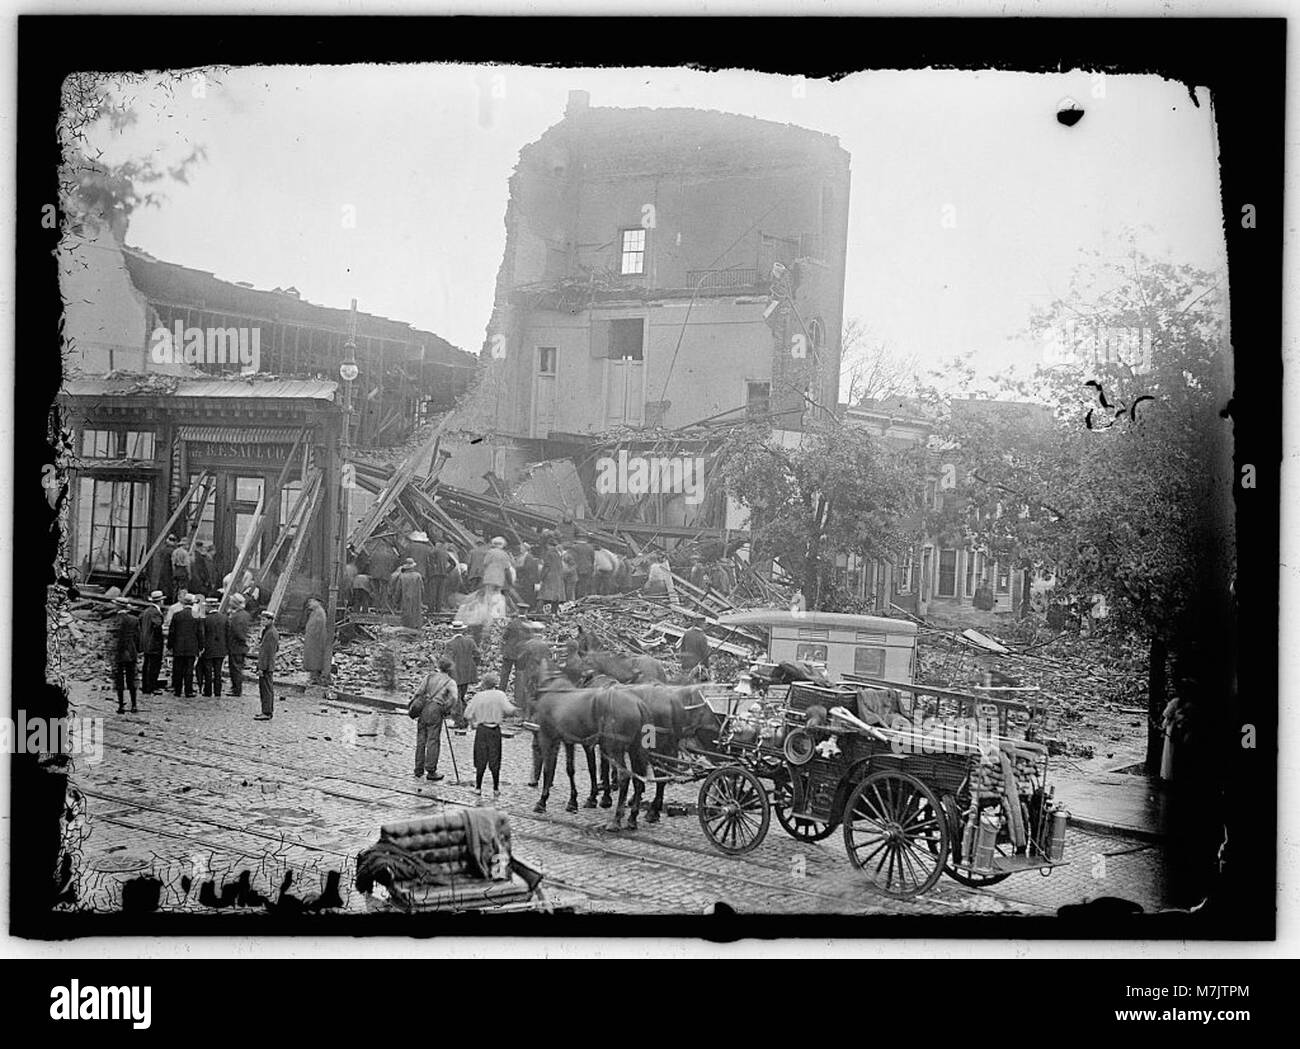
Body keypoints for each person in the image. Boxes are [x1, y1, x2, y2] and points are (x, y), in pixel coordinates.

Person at [464, 671, 517, 802]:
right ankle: (495, 788)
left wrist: (472, 723)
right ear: (495, 683)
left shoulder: (478, 696)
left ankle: (478, 787)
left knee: (481, 758)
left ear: (484, 684)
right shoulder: (500, 695)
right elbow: (509, 710)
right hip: (495, 731)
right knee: (495, 758)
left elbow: (467, 714)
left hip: (482, 730)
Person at [409, 658, 457, 781]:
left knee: (421, 740)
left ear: (439, 666)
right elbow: (453, 699)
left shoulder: (429, 677)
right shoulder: (450, 682)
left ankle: (418, 769)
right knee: (433, 740)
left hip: (424, 708)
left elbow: (418, 693)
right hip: (436, 710)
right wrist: (446, 709)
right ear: (450, 668)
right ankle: (431, 770)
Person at [168, 594, 202, 697]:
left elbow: (172, 632)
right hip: (191, 647)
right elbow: (200, 633)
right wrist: (201, 646)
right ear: (192, 603)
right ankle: (188, 690)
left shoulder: (177, 615)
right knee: (189, 669)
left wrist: (170, 646)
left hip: (178, 646)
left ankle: (177, 690)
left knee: (178, 669)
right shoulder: (196, 616)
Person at [112, 600, 141, 714]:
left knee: (119, 680)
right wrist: (136, 650)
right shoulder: (134, 619)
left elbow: (113, 638)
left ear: (118, 606)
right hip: (131, 652)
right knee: (132, 678)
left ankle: (121, 706)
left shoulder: (115, 620)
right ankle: (134, 705)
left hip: (118, 652)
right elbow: (137, 637)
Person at [445, 621, 480, 714]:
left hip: (455, 673)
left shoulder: (449, 644)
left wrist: (446, 671)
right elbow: (477, 654)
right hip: (468, 672)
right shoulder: (470, 641)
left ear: (452, 631)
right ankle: (466, 713)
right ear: (462, 630)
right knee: (461, 695)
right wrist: (474, 665)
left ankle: (459, 719)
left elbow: (448, 660)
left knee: (456, 696)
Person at [255, 609, 279, 720]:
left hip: (266, 666)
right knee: (266, 688)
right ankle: (266, 711)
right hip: (268, 665)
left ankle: (267, 712)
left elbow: (266, 652)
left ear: (270, 620)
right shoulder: (270, 631)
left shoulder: (270, 633)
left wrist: (261, 668)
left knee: (266, 689)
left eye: (264, 620)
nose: (262, 622)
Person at [139, 591, 165, 694]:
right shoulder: (155, 612)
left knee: (146, 665)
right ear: (160, 601)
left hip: (146, 642)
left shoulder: (146, 611)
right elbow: (157, 626)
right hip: (154, 643)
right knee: (154, 666)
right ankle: (151, 686)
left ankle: (146, 686)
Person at [226, 592, 251, 697]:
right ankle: (236, 688)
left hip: (236, 646)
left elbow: (237, 632)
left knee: (235, 669)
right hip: (239, 646)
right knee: (237, 668)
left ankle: (236, 689)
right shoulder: (245, 614)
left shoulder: (236, 616)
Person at [201, 597, 228, 697]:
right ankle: (218, 691)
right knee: (218, 671)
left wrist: (201, 647)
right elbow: (227, 634)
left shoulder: (205, 619)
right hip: (221, 649)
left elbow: (202, 635)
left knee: (208, 671)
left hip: (208, 649)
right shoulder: (224, 618)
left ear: (209, 607)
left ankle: (208, 691)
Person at [499, 612, 530, 694]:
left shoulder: (512, 624)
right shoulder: (529, 625)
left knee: (505, 674)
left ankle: (501, 692)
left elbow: (504, 636)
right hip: (521, 653)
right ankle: (518, 694)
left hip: (509, 652)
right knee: (520, 674)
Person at [391, 558, 424, 630]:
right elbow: (422, 588)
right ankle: (416, 629)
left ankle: (407, 629)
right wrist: (422, 599)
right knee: (416, 614)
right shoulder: (418, 576)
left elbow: (398, 590)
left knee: (407, 614)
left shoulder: (402, 576)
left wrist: (395, 601)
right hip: (416, 599)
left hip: (406, 598)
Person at [302, 596, 329, 685]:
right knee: (312, 658)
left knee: (315, 659)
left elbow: (318, 628)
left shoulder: (319, 612)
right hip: (312, 639)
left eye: (312, 602)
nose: (309, 604)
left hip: (316, 641)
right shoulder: (315, 612)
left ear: (318, 602)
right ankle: (314, 676)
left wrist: (311, 636)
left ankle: (315, 677)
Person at [366, 538, 398, 612]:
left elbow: (369, 562)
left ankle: (376, 606)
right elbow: (394, 562)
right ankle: (383, 607)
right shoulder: (389, 554)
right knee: (384, 591)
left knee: (376, 591)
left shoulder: (374, 553)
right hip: (385, 575)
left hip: (374, 574)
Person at [679, 614, 712, 679]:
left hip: (685, 665)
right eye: (704, 623)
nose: (705, 625)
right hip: (696, 667)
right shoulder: (702, 637)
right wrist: (708, 667)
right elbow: (705, 654)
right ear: (700, 624)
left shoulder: (687, 633)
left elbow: (682, 649)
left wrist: (682, 661)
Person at [429, 537, 457, 613]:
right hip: (443, 575)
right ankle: (438, 609)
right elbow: (453, 564)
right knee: (440, 593)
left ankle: (431, 610)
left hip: (434, 575)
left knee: (433, 593)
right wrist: (447, 571)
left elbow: (430, 562)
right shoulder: (446, 553)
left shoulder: (433, 551)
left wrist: (432, 569)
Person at [538, 541, 566, 613]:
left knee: (543, 596)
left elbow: (546, 566)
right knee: (555, 598)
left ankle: (539, 611)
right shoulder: (558, 554)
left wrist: (541, 577)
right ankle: (553, 613)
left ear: (548, 545)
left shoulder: (549, 553)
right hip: (558, 578)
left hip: (549, 578)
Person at [514, 542, 540, 609]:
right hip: (524, 579)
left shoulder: (528, 556)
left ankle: (530, 608)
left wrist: (517, 568)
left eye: (522, 548)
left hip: (529, 579)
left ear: (526, 549)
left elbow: (527, 567)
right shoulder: (522, 556)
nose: (520, 549)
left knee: (528, 594)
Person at [170, 536, 192, 601]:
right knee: (183, 588)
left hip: (176, 570)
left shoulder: (174, 552)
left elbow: (173, 563)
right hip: (183, 570)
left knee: (175, 587)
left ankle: (174, 600)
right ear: (184, 545)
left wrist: (174, 572)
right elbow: (187, 564)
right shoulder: (185, 553)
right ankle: (182, 600)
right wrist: (189, 574)